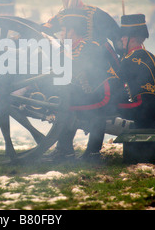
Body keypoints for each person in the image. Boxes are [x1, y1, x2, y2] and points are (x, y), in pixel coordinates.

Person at [51, 9, 121, 162]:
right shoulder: (69, 48)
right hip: (83, 92)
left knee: (68, 108)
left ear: (72, 31)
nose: (61, 34)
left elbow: (82, 67)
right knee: (64, 104)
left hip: (99, 92)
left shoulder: (90, 46)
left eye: (63, 30)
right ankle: (65, 149)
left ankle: (90, 152)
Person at [43, 0, 121, 72]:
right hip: (74, 66)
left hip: (102, 64)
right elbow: (43, 30)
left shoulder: (95, 13)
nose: (67, 0)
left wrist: (124, 58)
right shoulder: (61, 16)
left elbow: (117, 37)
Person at [117, 13, 155, 129]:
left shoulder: (127, 60)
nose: (121, 38)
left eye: (124, 36)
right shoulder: (153, 57)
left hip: (141, 109)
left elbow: (117, 85)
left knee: (110, 107)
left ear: (132, 39)